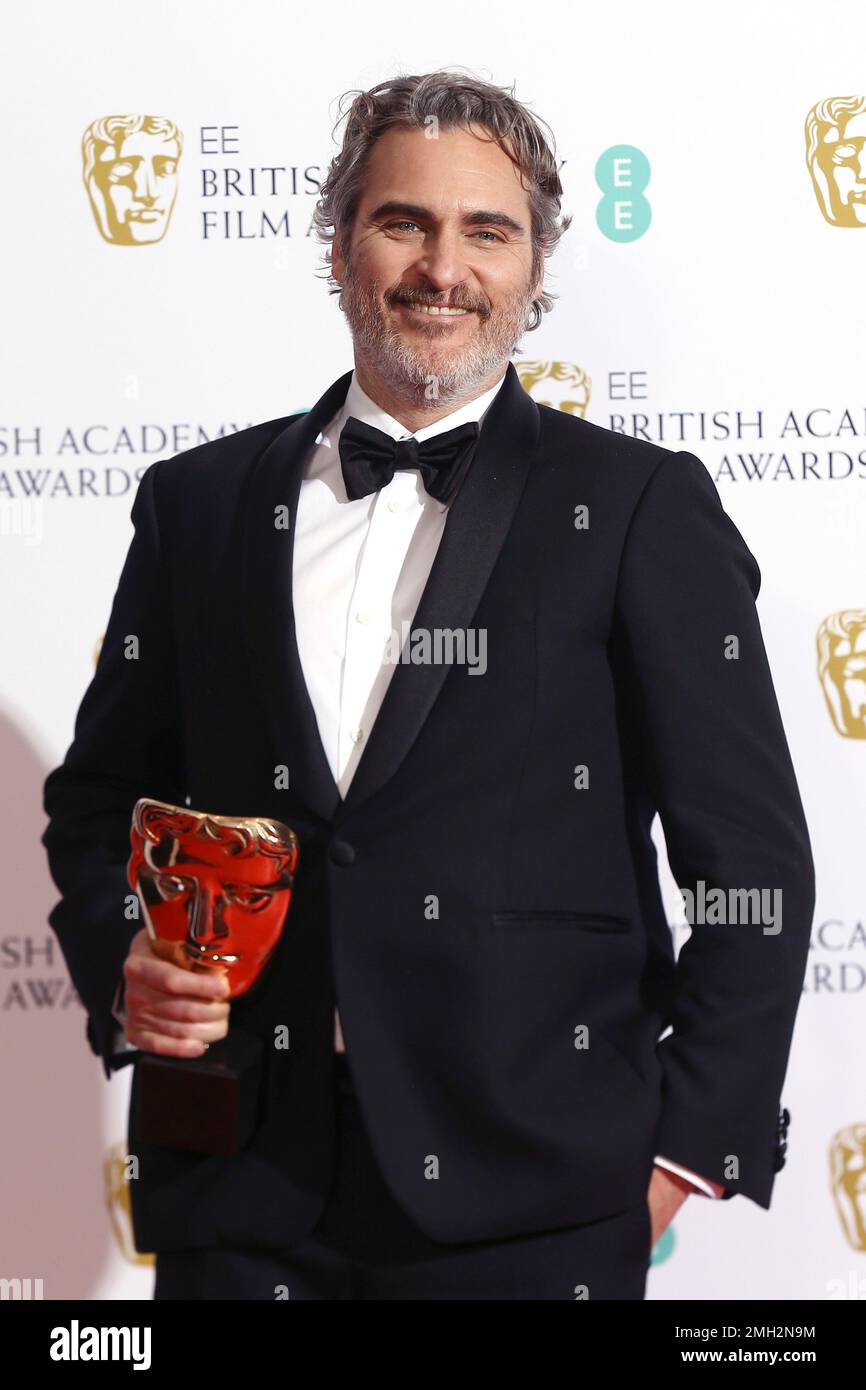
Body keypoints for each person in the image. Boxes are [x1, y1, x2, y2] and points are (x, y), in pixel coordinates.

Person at [42, 68, 815, 1300]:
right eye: (403, 221)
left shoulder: (633, 508)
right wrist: (127, 951)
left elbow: (752, 865)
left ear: (535, 262)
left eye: (486, 231)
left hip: (535, 1199)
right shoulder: (197, 507)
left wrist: (677, 1151)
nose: (439, 267)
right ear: (340, 242)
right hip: (240, 1187)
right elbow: (98, 801)